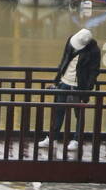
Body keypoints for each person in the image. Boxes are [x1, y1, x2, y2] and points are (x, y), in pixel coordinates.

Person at [39, 27, 99, 155]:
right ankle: (52, 139)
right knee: (59, 111)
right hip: (64, 82)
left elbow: (94, 71)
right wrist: (56, 80)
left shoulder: (94, 50)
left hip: (79, 86)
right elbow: (64, 60)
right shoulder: (71, 41)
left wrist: (87, 89)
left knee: (79, 114)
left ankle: (77, 140)